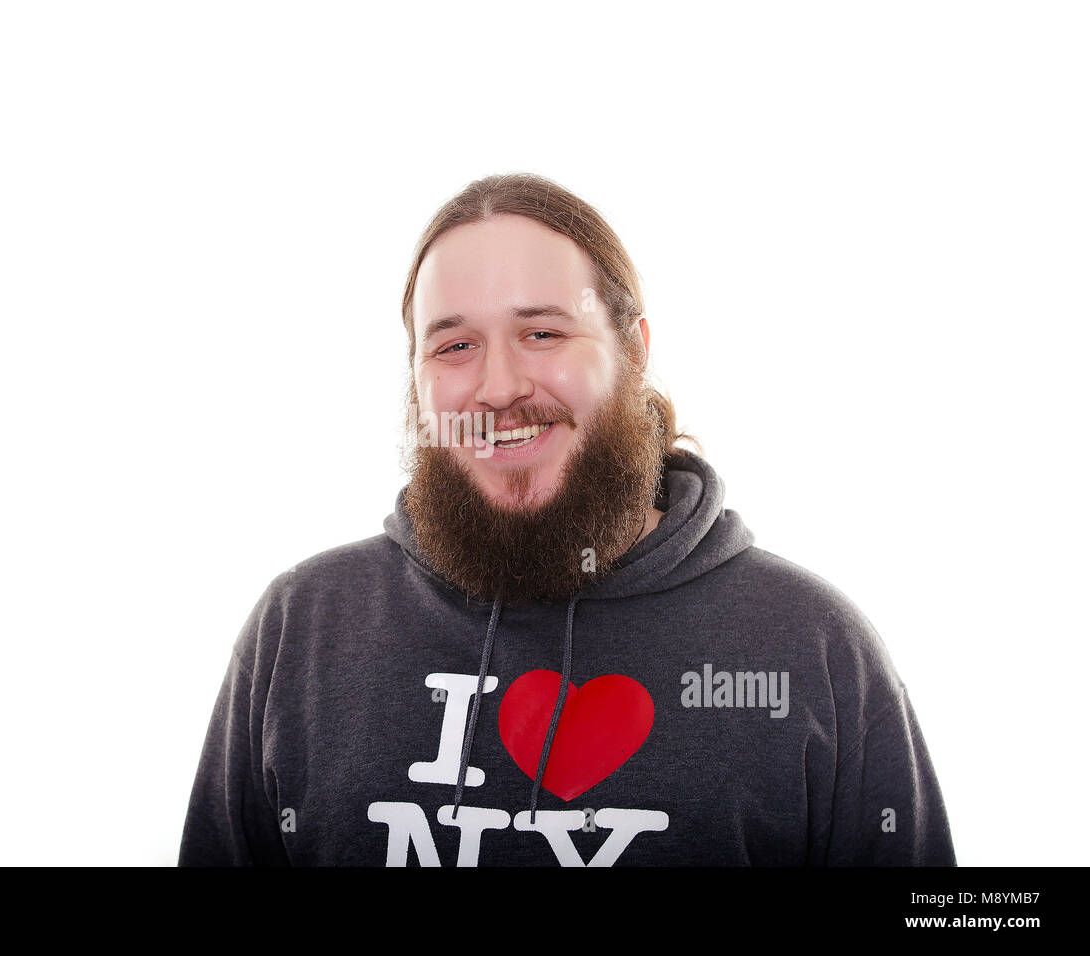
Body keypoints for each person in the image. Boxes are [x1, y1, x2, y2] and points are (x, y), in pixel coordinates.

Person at [178, 173, 956, 867]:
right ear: (415, 379)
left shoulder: (811, 645)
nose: (498, 386)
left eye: (543, 333)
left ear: (633, 350)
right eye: (453, 345)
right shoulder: (303, 627)